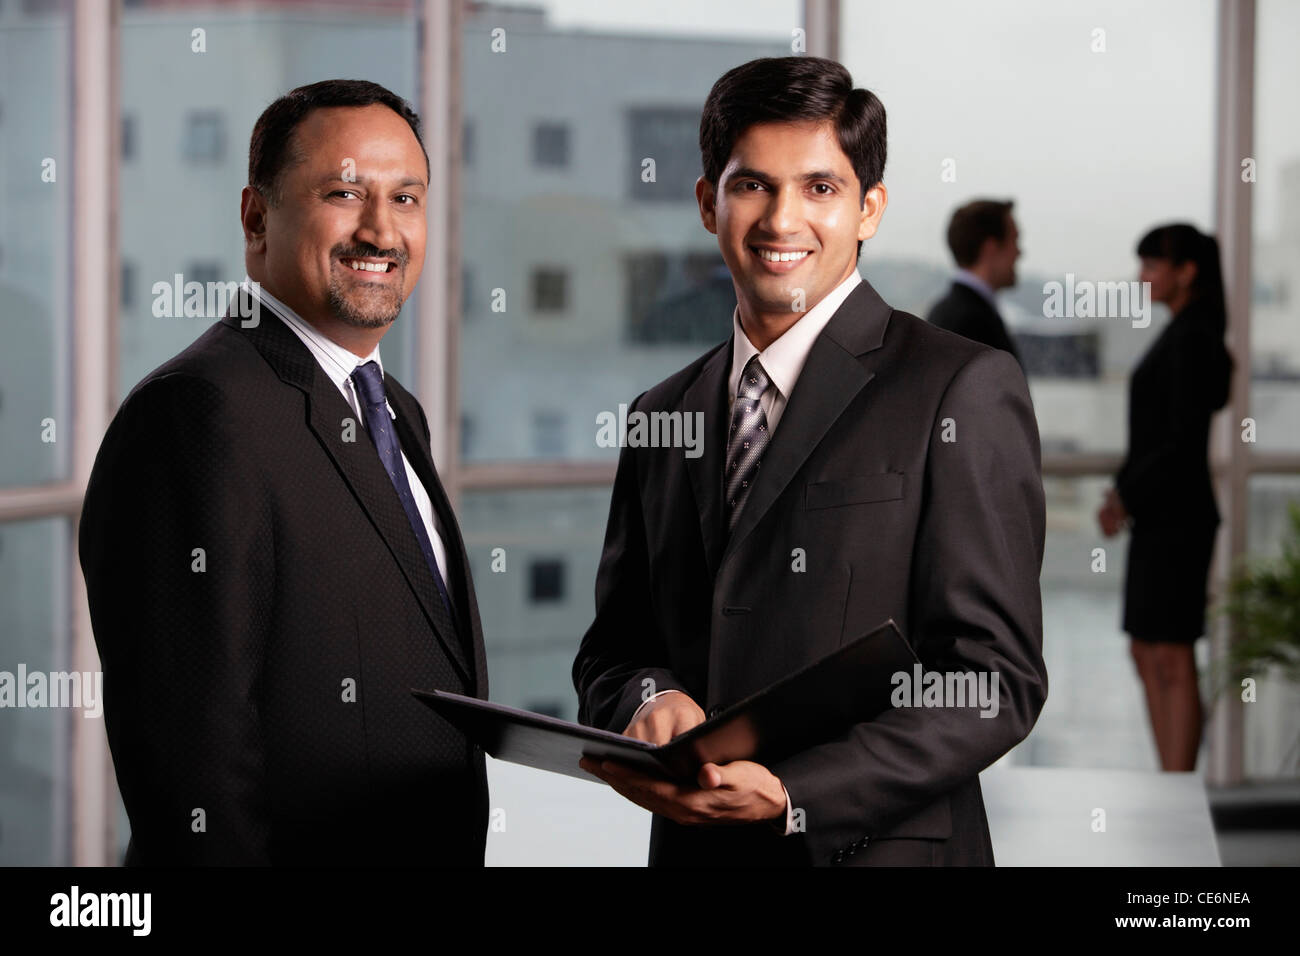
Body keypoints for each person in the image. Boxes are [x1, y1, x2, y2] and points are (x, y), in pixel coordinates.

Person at [573, 56, 1047, 867]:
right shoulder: (662, 414)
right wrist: (649, 700)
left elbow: (993, 680)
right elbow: (615, 649)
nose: (781, 220)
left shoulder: (958, 388)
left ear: (869, 210)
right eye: (752, 185)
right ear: (706, 203)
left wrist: (797, 794)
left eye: (820, 189)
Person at [78, 80, 489, 865]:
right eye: (344, 192)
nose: (381, 230)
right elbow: (190, 767)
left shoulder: (395, 409)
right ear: (257, 219)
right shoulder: (195, 415)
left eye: (407, 199)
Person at [1098, 223, 1232, 772]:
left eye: (1153, 266)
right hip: (1162, 517)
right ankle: (1171, 780)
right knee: (1149, 651)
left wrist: (1124, 495)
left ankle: (1177, 786)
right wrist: (1125, 494)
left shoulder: (1194, 335)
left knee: (1171, 655)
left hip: (1177, 519)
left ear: (1186, 272)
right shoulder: (1186, 330)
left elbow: (1178, 441)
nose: (1142, 277)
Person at [927, 199, 1024, 368]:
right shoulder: (972, 322)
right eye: (1014, 241)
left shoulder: (945, 313)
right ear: (991, 248)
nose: (1019, 252)